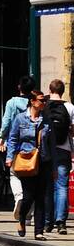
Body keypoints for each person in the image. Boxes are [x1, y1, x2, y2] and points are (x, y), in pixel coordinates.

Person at [7, 89, 51, 240]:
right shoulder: (20, 119)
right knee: (28, 196)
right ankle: (21, 217)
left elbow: (52, 143)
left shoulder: (46, 119)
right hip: (26, 161)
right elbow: (12, 138)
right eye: (41, 100)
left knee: (41, 197)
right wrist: (9, 157)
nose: (44, 103)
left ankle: (38, 231)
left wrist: (55, 164)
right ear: (32, 101)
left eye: (45, 100)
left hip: (43, 161)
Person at [0, 75, 35, 222]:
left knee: (14, 174)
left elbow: (6, 122)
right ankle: (29, 215)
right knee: (32, 177)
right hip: (32, 146)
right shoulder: (34, 103)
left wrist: (2, 138)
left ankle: (18, 196)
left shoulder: (12, 103)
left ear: (19, 87)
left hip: (14, 144)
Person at [42, 79, 74, 236]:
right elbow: (72, 130)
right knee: (61, 186)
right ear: (63, 91)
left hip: (47, 150)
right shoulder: (69, 107)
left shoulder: (44, 105)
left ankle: (48, 222)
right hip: (63, 149)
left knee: (48, 187)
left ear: (50, 89)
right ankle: (61, 222)